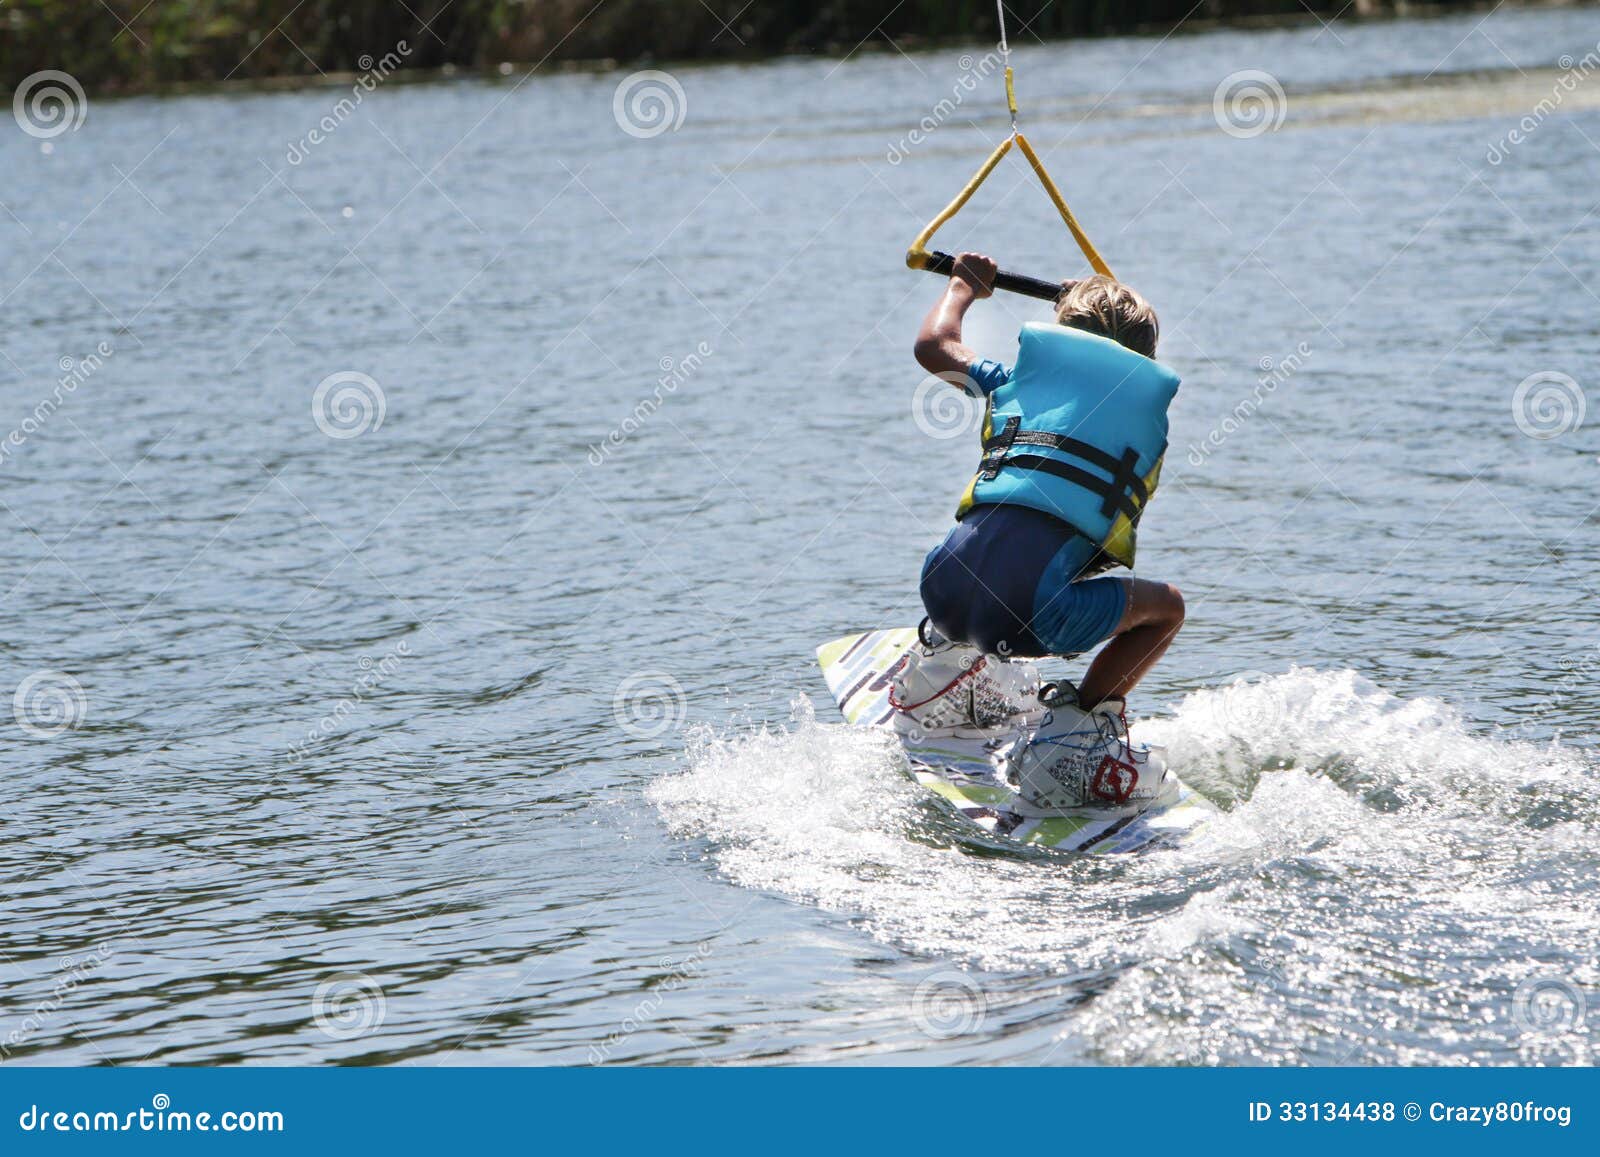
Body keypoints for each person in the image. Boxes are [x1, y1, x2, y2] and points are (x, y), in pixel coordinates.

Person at [889, 252, 1186, 815]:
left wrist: (962, 287)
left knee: (995, 548)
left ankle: (942, 670)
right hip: (1032, 616)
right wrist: (1096, 308)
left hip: (941, 590)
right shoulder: (1142, 426)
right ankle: (1073, 739)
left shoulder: (1012, 385)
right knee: (1167, 608)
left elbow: (934, 346)